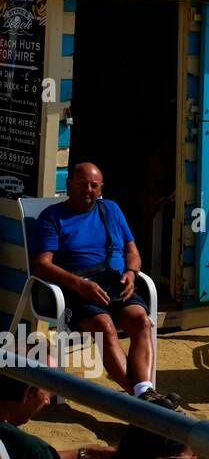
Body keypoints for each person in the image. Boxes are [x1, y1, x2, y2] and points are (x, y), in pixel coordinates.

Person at [32, 163, 175, 408]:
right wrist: (79, 285)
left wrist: (131, 273)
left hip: (116, 285)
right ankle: (144, 400)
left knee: (142, 321)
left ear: (101, 189)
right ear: (69, 185)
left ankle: (143, 394)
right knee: (104, 326)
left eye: (93, 185)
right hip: (77, 290)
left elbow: (133, 252)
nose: (88, 190)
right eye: (82, 184)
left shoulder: (111, 209)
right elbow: (41, 265)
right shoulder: (53, 217)